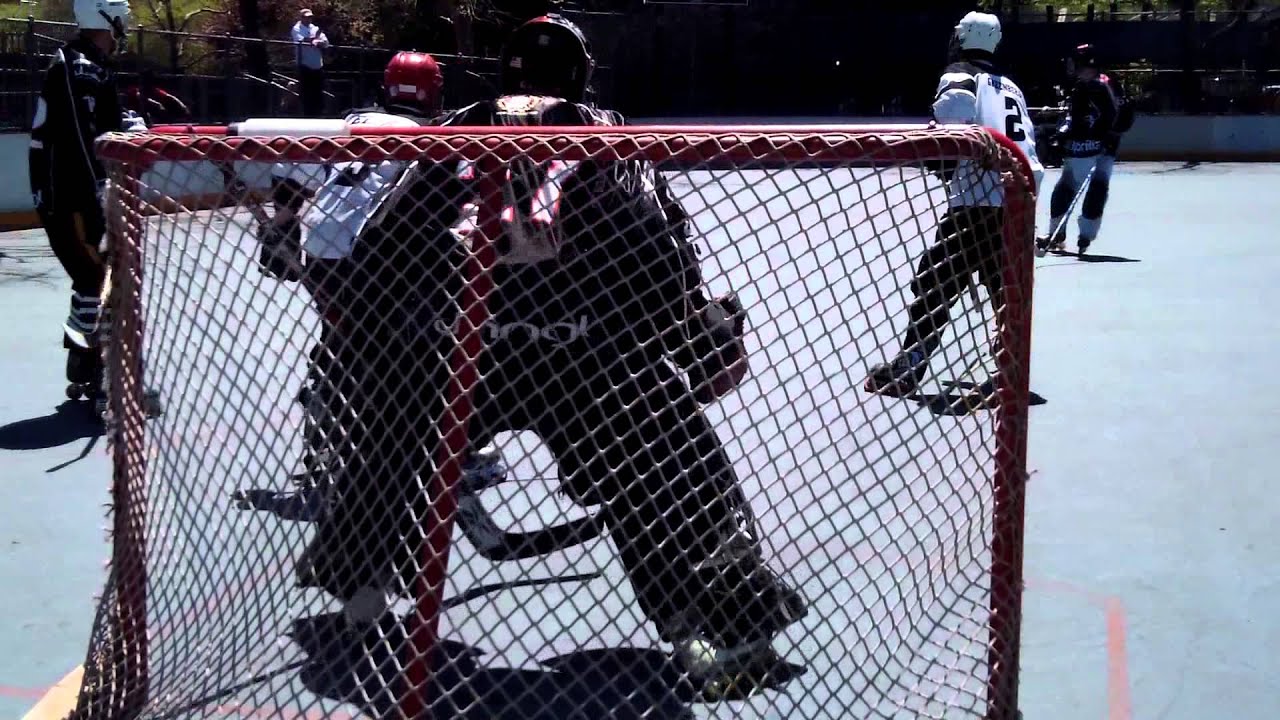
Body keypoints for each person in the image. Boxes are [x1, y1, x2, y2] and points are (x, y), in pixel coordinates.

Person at [429, 14, 807, 692]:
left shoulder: (452, 128)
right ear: (581, 73)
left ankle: (360, 590)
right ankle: (718, 623)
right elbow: (661, 257)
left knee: (384, 430)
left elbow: (382, 247)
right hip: (587, 362)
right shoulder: (607, 132)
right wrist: (700, 341)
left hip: (462, 363)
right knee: (668, 453)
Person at [864, 11, 1044, 400]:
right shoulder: (1011, 86)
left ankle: (910, 365)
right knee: (1005, 290)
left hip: (973, 203)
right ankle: (1011, 365)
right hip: (1013, 202)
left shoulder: (960, 74)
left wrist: (941, 145)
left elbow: (954, 114)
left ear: (963, 37)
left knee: (935, 284)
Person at [28, 0, 156, 415]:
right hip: (69, 198)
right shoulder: (76, 67)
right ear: (103, 16)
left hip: (76, 194)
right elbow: (79, 139)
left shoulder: (90, 64)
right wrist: (98, 192)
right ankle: (102, 372)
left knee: (94, 276)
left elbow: (101, 124)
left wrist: (126, 124)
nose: (126, 21)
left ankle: (84, 360)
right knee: (102, 278)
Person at [1038, 43, 1132, 254]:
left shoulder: (1089, 86)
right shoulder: (1111, 83)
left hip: (1086, 146)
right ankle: (1087, 234)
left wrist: (1065, 135)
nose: (1073, 67)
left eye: (1076, 63)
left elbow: (1080, 119)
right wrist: (1110, 137)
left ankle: (1056, 232)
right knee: (1099, 186)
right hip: (1107, 147)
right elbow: (1123, 114)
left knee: (1067, 185)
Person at [290, 8, 329, 116]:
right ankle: (307, 115)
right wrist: (315, 39)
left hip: (317, 65)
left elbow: (325, 43)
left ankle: (318, 115)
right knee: (306, 93)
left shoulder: (315, 28)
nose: (308, 19)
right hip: (304, 65)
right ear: (301, 17)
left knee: (318, 92)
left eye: (310, 17)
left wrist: (318, 41)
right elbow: (301, 40)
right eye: (306, 17)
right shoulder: (296, 29)